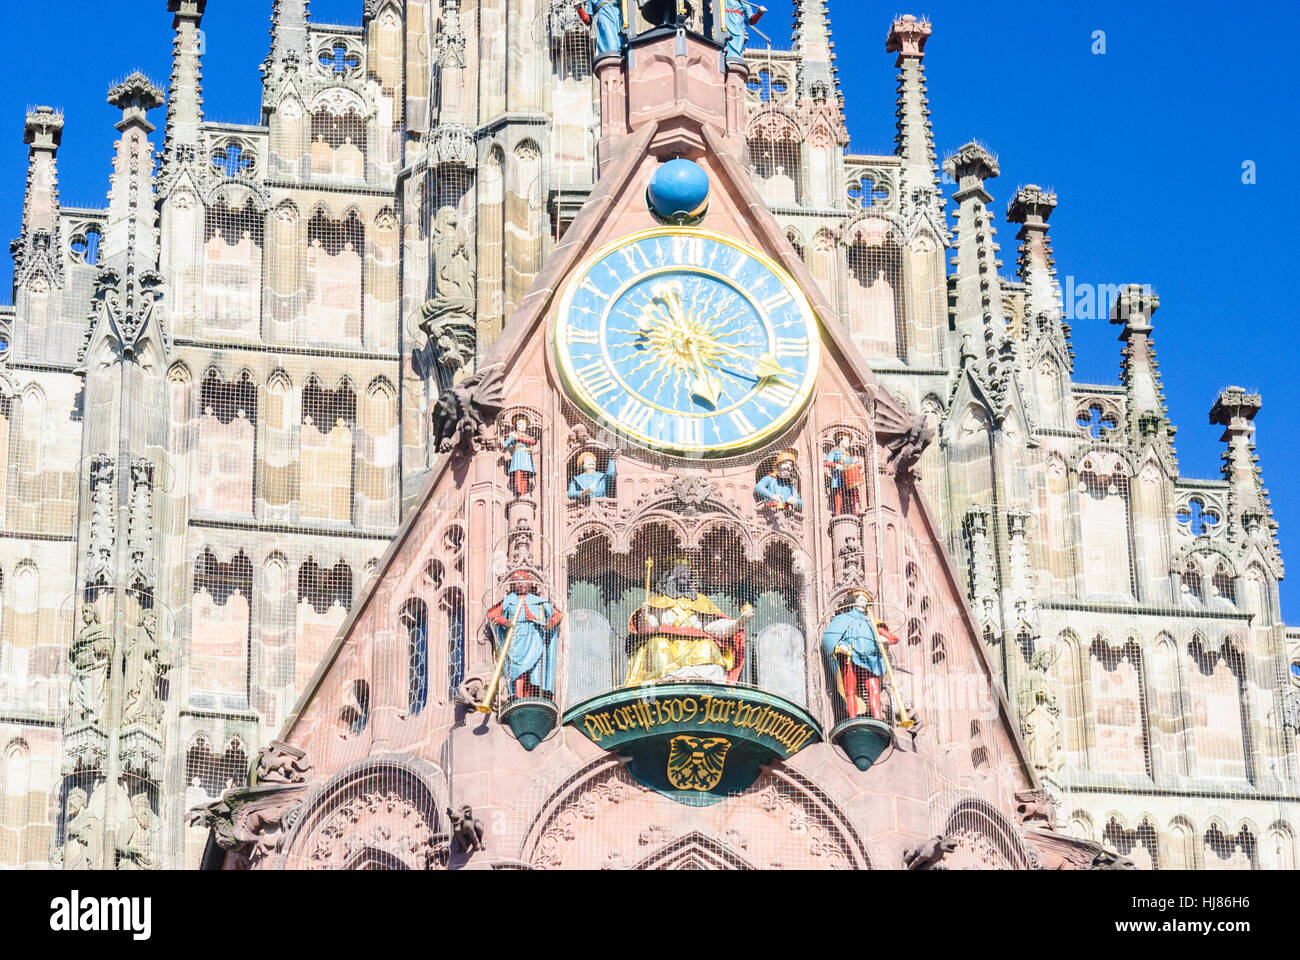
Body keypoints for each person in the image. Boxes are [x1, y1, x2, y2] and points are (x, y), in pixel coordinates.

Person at [624, 559, 752, 686]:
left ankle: (701, 679)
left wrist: (738, 623)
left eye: (686, 576)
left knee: (709, 646)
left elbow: (714, 627)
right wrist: (644, 616)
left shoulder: (701, 601)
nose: (683, 578)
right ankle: (667, 677)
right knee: (658, 644)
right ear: (669, 577)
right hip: (668, 642)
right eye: (678, 575)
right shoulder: (659, 600)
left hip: (695, 642)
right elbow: (649, 628)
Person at [820, 590, 900, 721]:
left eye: (865, 600)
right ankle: (852, 719)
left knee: (874, 690)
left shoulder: (873, 622)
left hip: (870, 661)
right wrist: (840, 646)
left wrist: (885, 640)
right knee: (850, 691)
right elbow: (829, 638)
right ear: (854, 600)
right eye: (861, 599)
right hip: (851, 659)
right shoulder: (843, 619)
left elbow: (894, 639)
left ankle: (878, 718)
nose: (863, 602)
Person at [486, 571, 564, 699]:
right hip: (516, 636)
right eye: (517, 582)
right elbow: (492, 614)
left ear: (530, 583)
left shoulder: (538, 601)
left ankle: (535, 695)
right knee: (518, 667)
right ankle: (518, 695)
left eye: (523, 581)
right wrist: (505, 621)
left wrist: (552, 622)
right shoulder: (509, 600)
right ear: (513, 586)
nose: (520, 585)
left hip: (535, 636)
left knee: (535, 666)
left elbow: (558, 614)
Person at [824, 432, 866, 515]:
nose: (848, 443)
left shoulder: (848, 455)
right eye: (846, 440)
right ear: (840, 441)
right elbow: (826, 462)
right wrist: (836, 465)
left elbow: (855, 463)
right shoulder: (834, 452)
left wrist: (857, 464)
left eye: (849, 441)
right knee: (839, 492)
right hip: (839, 475)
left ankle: (856, 510)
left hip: (849, 475)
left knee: (855, 490)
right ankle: (837, 512)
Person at [502, 414, 538, 496]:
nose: (522, 426)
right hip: (517, 455)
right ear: (516, 426)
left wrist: (517, 437)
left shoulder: (527, 436)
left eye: (524, 424)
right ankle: (518, 490)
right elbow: (505, 445)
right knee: (518, 471)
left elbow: (533, 441)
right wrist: (502, 446)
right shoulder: (513, 436)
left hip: (526, 455)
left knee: (525, 473)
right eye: (520, 424)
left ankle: (523, 491)